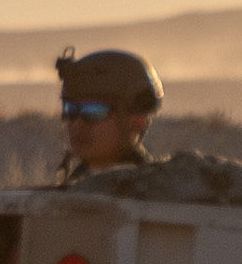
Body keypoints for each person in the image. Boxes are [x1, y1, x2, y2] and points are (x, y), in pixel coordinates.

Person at [51, 48, 162, 178]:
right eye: (70, 110)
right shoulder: (72, 189)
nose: (77, 123)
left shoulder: (158, 192)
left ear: (137, 121)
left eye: (94, 111)